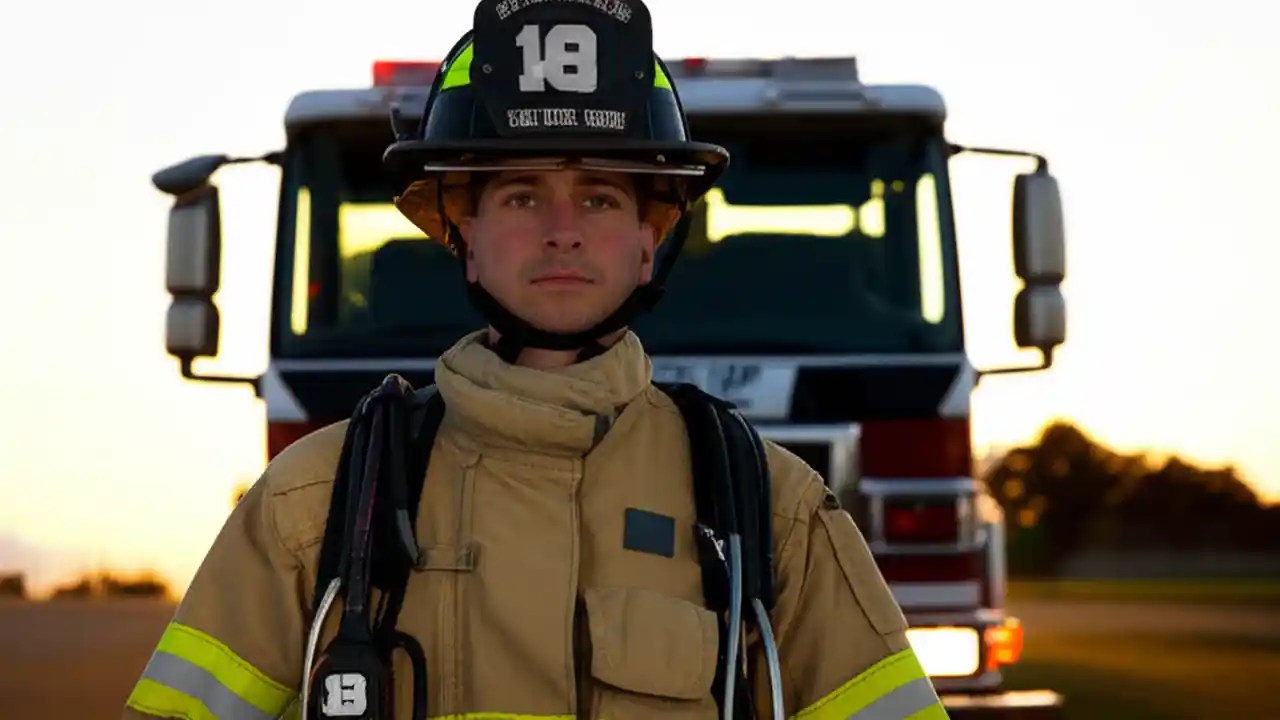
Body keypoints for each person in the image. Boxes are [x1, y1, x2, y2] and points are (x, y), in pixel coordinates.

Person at [123, 1, 950, 718]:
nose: (563, 228)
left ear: (648, 243)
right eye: (520, 195)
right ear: (463, 237)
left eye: (600, 196)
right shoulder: (313, 508)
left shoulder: (774, 512)